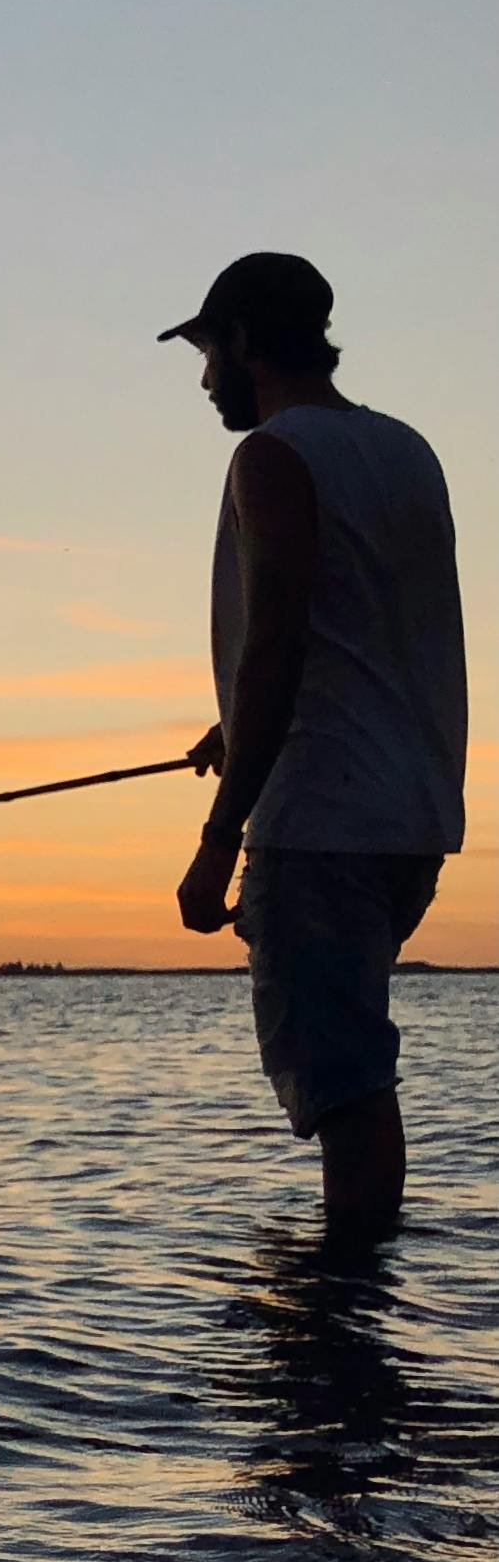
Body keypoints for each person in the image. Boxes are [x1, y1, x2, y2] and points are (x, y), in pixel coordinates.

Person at [166, 252, 467, 1250]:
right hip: (408, 821)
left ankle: (344, 1352)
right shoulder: (406, 449)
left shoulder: (272, 457)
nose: (206, 377)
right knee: (353, 1075)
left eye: (210, 350)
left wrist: (219, 838)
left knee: (346, 1092)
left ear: (247, 342)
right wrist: (236, 725)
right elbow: (363, 630)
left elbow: (282, 639)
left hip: (323, 820)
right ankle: (351, 1328)